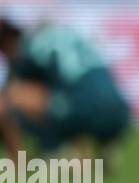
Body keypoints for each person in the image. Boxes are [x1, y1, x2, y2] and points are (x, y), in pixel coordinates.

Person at [0, 17, 131, 169]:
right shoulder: (72, 38)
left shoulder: (28, 49)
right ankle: (103, 146)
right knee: (68, 95)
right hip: (121, 113)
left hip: (80, 113)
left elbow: (22, 92)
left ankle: (25, 165)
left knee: (9, 100)